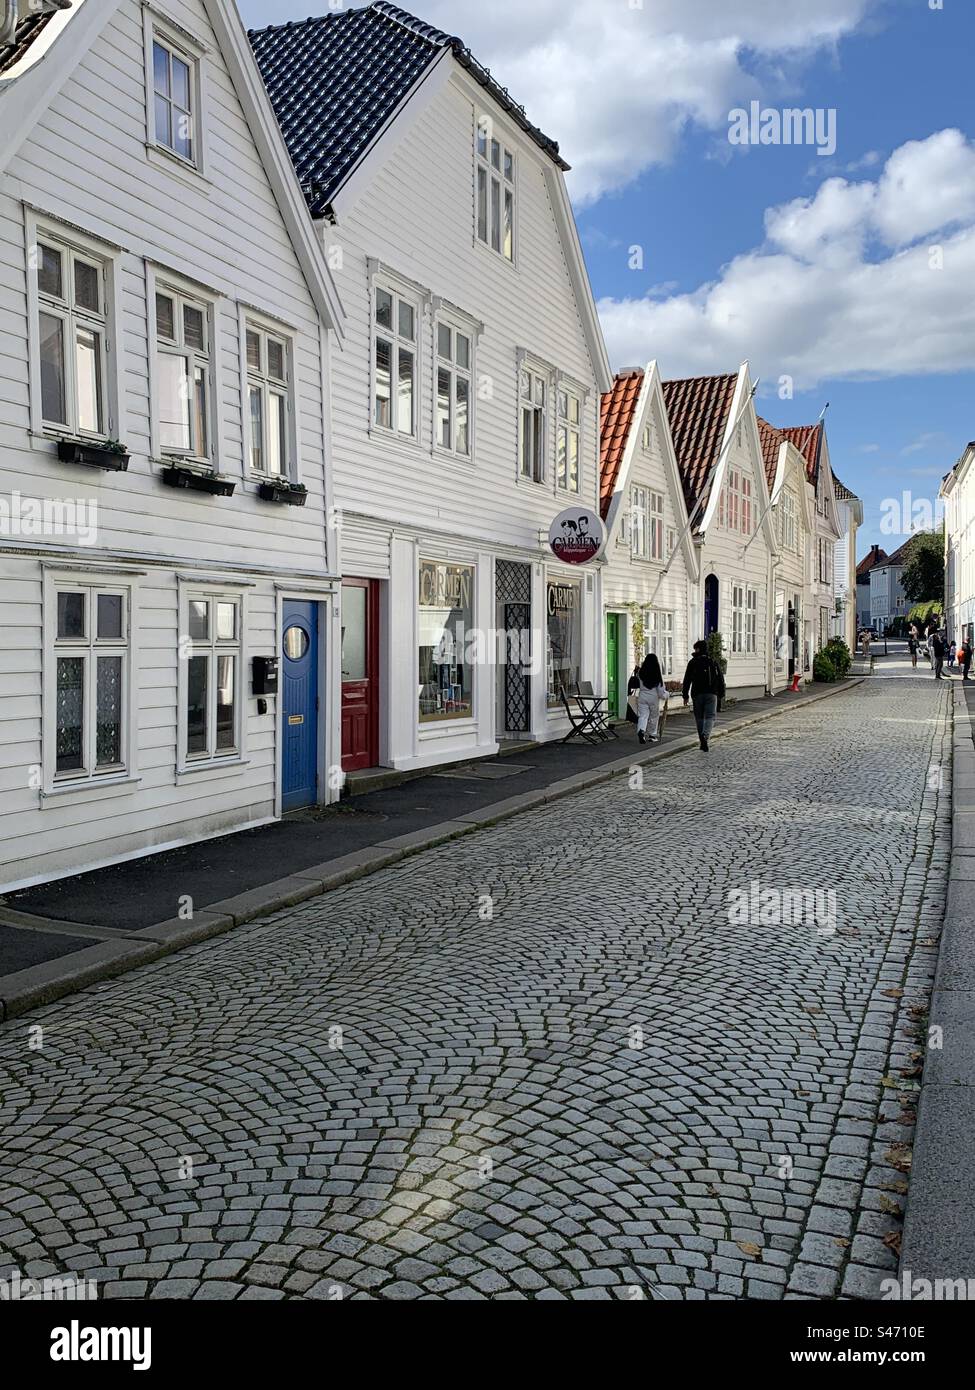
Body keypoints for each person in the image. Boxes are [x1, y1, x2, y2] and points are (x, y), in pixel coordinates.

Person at [682, 640, 726, 751]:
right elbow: (720, 678)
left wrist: (685, 695)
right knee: (710, 716)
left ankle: (702, 738)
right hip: (712, 693)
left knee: (699, 717)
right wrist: (721, 693)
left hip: (697, 694)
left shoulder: (693, 662)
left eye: (695, 648)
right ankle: (705, 736)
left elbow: (687, 679)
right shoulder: (713, 661)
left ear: (698, 649)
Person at [636, 652, 666, 744]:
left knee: (643, 716)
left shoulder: (640, 672)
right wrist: (666, 695)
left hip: (642, 696)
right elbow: (661, 691)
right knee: (654, 716)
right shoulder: (656, 673)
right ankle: (652, 735)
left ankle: (641, 730)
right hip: (653, 697)